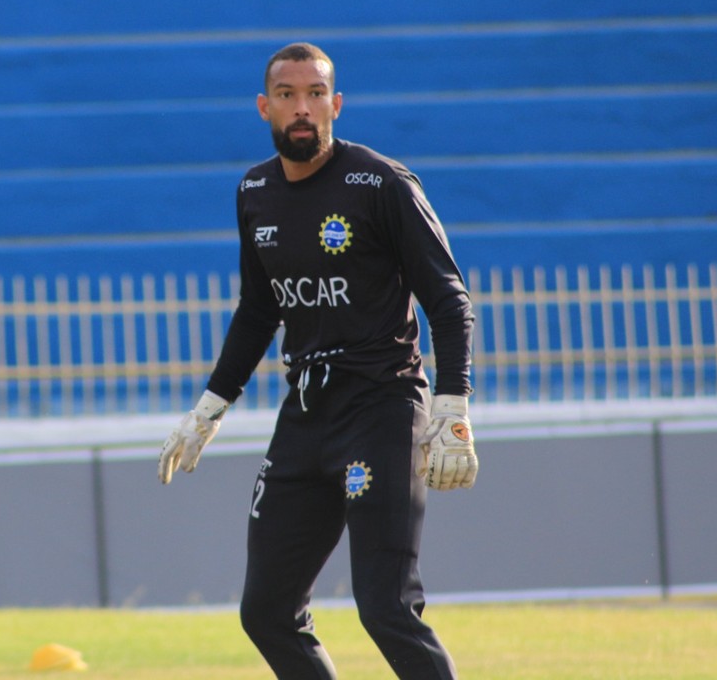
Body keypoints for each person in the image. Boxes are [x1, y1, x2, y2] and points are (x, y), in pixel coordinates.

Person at [158, 42, 478, 680]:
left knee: (386, 606)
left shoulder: (381, 183)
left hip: (381, 409)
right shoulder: (254, 192)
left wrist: (453, 407)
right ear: (263, 107)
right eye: (286, 95)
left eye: (314, 95)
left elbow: (449, 300)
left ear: (336, 103)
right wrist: (208, 409)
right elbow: (259, 310)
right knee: (267, 611)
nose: (301, 109)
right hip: (305, 416)